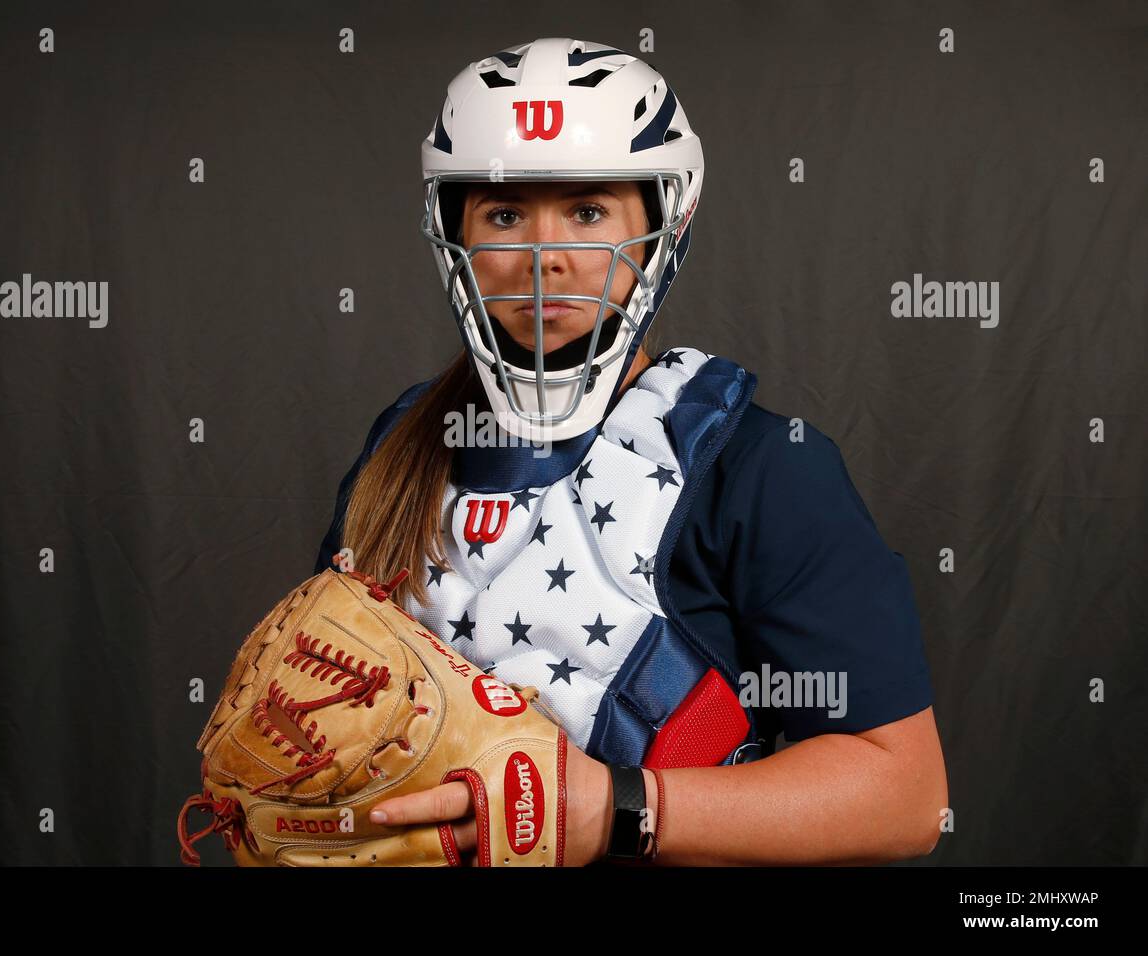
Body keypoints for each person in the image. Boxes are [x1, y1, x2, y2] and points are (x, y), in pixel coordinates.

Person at [315, 38, 947, 866]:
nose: (547, 259)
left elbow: (905, 797)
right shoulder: (401, 449)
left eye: (587, 211)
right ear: (453, 234)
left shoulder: (760, 467)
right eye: (505, 215)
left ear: (658, 228)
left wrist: (620, 809)